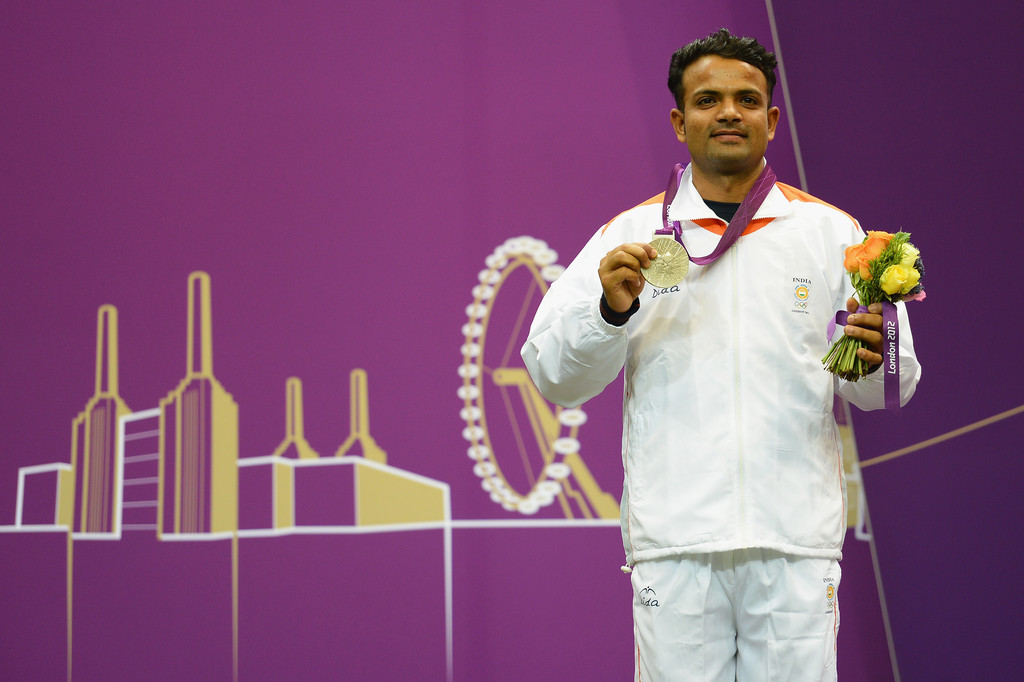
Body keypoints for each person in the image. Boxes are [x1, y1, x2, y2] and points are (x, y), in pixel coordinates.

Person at [521, 28, 921, 681]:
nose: (729, 112)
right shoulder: (629, 236)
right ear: (680, 122)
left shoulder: (831, 234)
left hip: (793, 540)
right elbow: (555, 375)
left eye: (746, 98)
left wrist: (878, 361)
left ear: (772, 118)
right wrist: (609, 311)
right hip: (677, 540)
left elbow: (890, 388)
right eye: (708, 100)